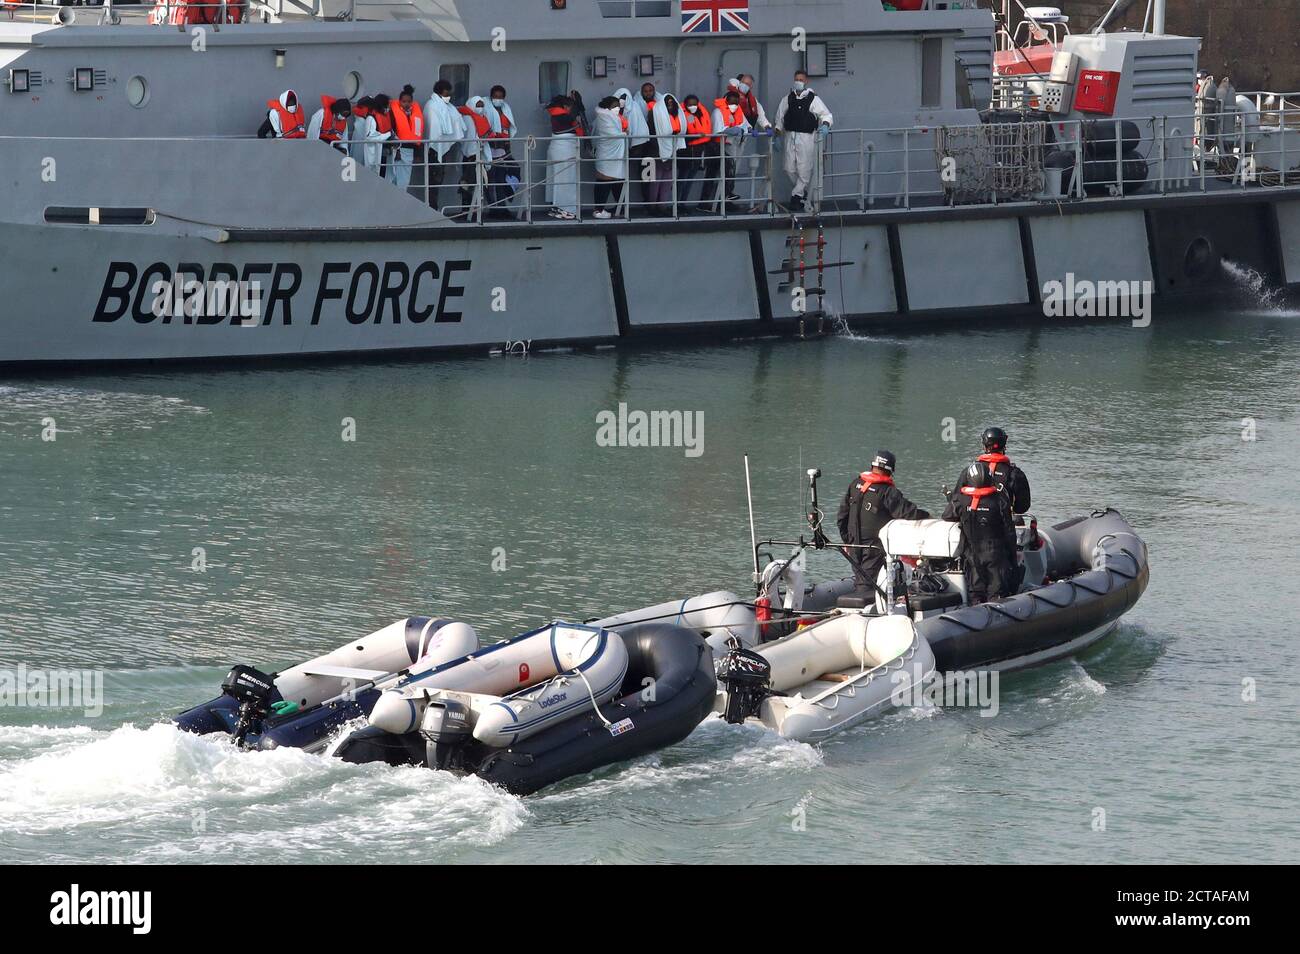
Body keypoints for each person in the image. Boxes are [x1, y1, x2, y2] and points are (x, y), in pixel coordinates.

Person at [835, 450, 931, 598]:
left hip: (854, 545)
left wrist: (847, 541)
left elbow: (841, 517)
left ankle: (861, 601)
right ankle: (867, 608)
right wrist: (928, 516)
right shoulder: (887, 491)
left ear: (873, 465)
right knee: (869, 584)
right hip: (874, 548)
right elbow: (908, 512)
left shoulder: (855, 485)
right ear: (890, 470)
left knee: (861, 578)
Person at [943, 462, 1018, 604]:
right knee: (996, 593)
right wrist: (1012, 555)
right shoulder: (999, 499)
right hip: (995, 553)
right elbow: (1009, 530)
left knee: (976, 593)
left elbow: (947, 515)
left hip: (972, 554)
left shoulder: (960, 500)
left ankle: (975, 610)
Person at [772, 70, 832, 211]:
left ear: (806, 81)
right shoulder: (787, 99)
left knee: (804, 168)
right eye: (796, 79)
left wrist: (825, 125)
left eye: (801, 79)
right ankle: (802, 192)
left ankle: (796, 196)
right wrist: (777, 135)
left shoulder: (813, 99)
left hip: (806, 137)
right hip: (790, 136)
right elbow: (779, 118)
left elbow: (826, 114)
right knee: (788, 168)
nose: (798, 82)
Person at [954, 427, 1031, 516]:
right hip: (1002, 522)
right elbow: (1022, 507)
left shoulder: (968, 471)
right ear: (1004, 446)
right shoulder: (1015, 473)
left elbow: (956, 499)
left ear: (984, 446)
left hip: (971, 521)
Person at [424, 80, 464, 211]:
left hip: (442, 151)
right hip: (433, 150)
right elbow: (433, 129)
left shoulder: (448, 107)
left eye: (449, 94)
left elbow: (455, 119)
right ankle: (431, 207)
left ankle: (434, 206)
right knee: (433, 179)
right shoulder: (431, 106)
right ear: (439, 93)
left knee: (439, 178)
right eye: (446, 94)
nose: (448, 97)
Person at [544, 91, 586, 220]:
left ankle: (556, 206)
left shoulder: (555, 115)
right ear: (565, 106)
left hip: (556, 148)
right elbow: (580, 131)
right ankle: (567, 209)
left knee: (556, 180)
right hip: (566, 151)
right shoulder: (565, 116)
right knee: (568, 180)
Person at [483, 85, 519, 218]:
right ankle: (494, 209)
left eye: (500, 97)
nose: (498, 99)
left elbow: (508, 130)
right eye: (495, 96)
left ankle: (502, 207)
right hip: (489, 151)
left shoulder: (506, 110)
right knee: (490, 181)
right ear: (491, 96)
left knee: (502, 179)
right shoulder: (486, 109)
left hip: (502, 151)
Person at [710, 88, 751, 206]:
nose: (734, 105)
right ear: (726, 101)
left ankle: (726, 198)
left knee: (733, 170)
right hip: (721, 146)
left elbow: (746, 125)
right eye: (731, 102)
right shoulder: (718, 112)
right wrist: (730, 130)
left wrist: (749, 129)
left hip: (736, 144)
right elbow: (718, 130)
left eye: (736, 102)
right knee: (725, 171)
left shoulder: (738, 111)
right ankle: (721, 198)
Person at [679, 94, 720, 213]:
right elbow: (682, 134)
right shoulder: (682, 115)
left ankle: (682, 203)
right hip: (687, 150)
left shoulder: (701, 112)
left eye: (694, 104)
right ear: (685, 105)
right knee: (683, 178)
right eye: (690, 104)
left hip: (700, 149)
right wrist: (696, 136)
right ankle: (678, 204)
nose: (692, 106)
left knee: (690, 178)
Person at [649, 94, 688, 214]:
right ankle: (651, 207)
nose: (670, 105)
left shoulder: (677, 114)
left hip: (672, 151)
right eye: (668, 103)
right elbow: (652, 132)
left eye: (672, 103)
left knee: (667, 181)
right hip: (655, 152)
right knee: (654, 181)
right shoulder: (654, 113)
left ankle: (662, 206)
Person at [591, 95, 628, 219]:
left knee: (617, 179)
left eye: (618, 106)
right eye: (614, 106)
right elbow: (610, 133)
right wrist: (624, 134)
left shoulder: (611, 116)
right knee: (604, 179)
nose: (617, 108)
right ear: (607, 107)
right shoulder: (603, 117)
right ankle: (598, 210)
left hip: (614, 155)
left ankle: (620, 208)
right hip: (606, 154)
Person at [457, 95, 494, 216]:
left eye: (482, 105)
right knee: (468, 184)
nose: (480, 108)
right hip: (470, 157)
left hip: (479, 156)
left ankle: (475, 211)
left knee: (478, 184)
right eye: (478, 105)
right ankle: (466, 211)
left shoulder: (482, 117)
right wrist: (473, 151)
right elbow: (469, 139)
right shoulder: (467, 118)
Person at [389, 85, 424, 192]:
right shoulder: (393, 113)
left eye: (409, 101)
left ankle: (399, 196)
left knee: (404, 179)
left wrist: (418, 153)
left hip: (410, 151)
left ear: (412, 102)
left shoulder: (415, 114)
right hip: (397, 150)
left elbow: (418, 134)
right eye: (404, 101)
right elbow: (392, 131)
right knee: (395, 178)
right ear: (399, 101)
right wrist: (396, 149)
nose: (406, 104)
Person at [350, 96, 392, 173]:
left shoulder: (373, 117)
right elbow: (369, 138)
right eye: (387, 106)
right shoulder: (369, 119)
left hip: (373, 153)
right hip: (367, 156)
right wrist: (388, 135)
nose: (388, 109)